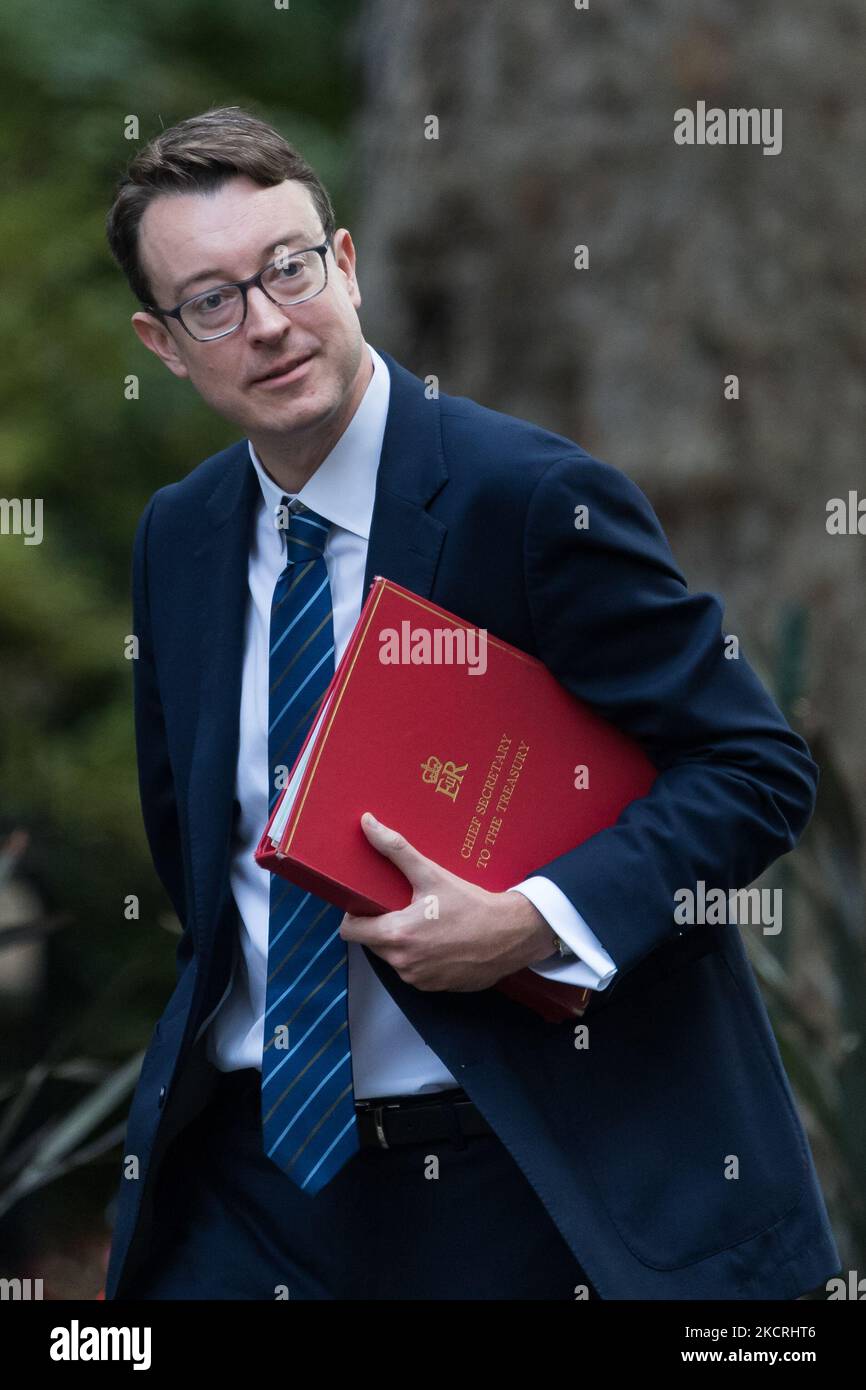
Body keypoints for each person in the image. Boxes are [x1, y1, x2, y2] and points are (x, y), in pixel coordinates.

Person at [102, 105, 839, 1300]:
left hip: (513, 1175)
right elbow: (204, 865)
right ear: (164, 342)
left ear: (344, 264)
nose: (269, 323)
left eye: (288, 268)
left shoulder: (531, 500)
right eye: (213, 301)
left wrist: (536, 917)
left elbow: (754, 767)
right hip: (249, 1186)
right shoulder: (177, 538)